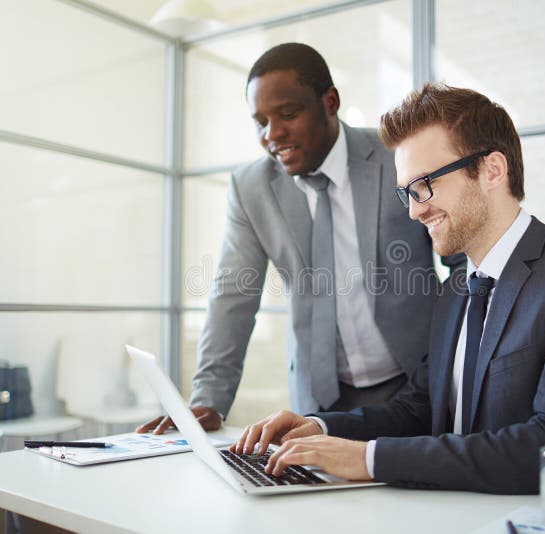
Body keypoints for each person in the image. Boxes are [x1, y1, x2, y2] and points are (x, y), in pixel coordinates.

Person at [231, 83, 545, 494]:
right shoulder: (457, 289)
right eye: (406, 191)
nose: (414, 209)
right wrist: (318, 427)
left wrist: (370, 459)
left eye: (425, 185)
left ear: (492, 170)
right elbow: (421, 408)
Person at [138, 44, 462, 435]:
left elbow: (460, 259)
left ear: (330, 102)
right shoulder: (250, 188)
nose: (272, 134)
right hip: (320, 396)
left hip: (414, 383)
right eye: (260, 121)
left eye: (287, 114)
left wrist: (456, 352)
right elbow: (233, 296)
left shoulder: (395, 155)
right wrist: (208, 399)